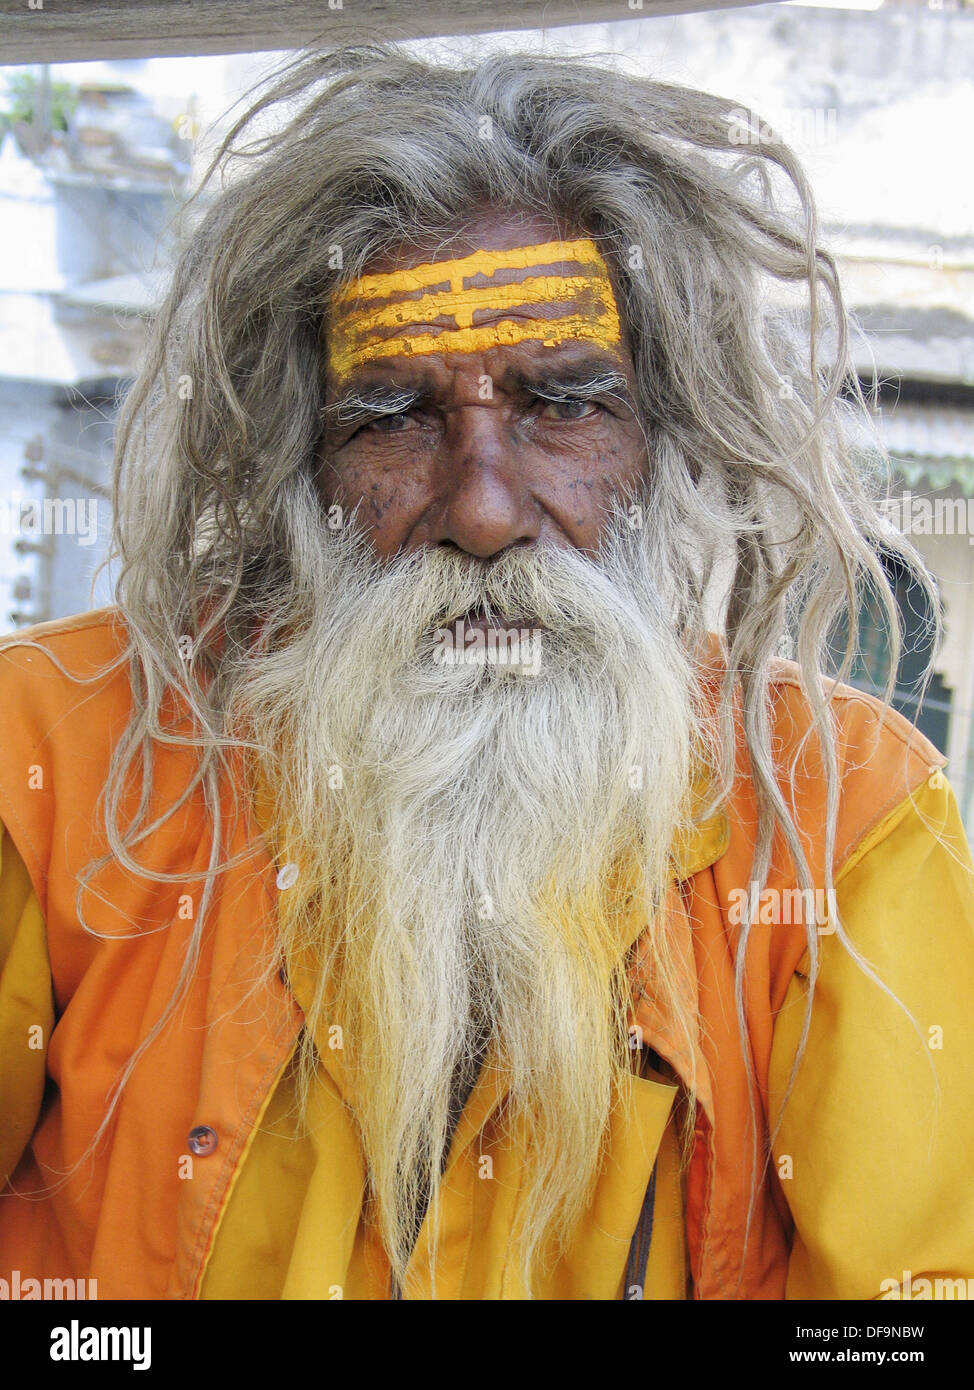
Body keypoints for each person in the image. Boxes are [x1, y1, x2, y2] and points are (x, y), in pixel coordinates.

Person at [1, 42, 972, 1303]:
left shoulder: (842, 823)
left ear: (663, 443)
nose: (481, 510)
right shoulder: (55, 759)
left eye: (562, 405)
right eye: (394, 417)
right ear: (301, 466)